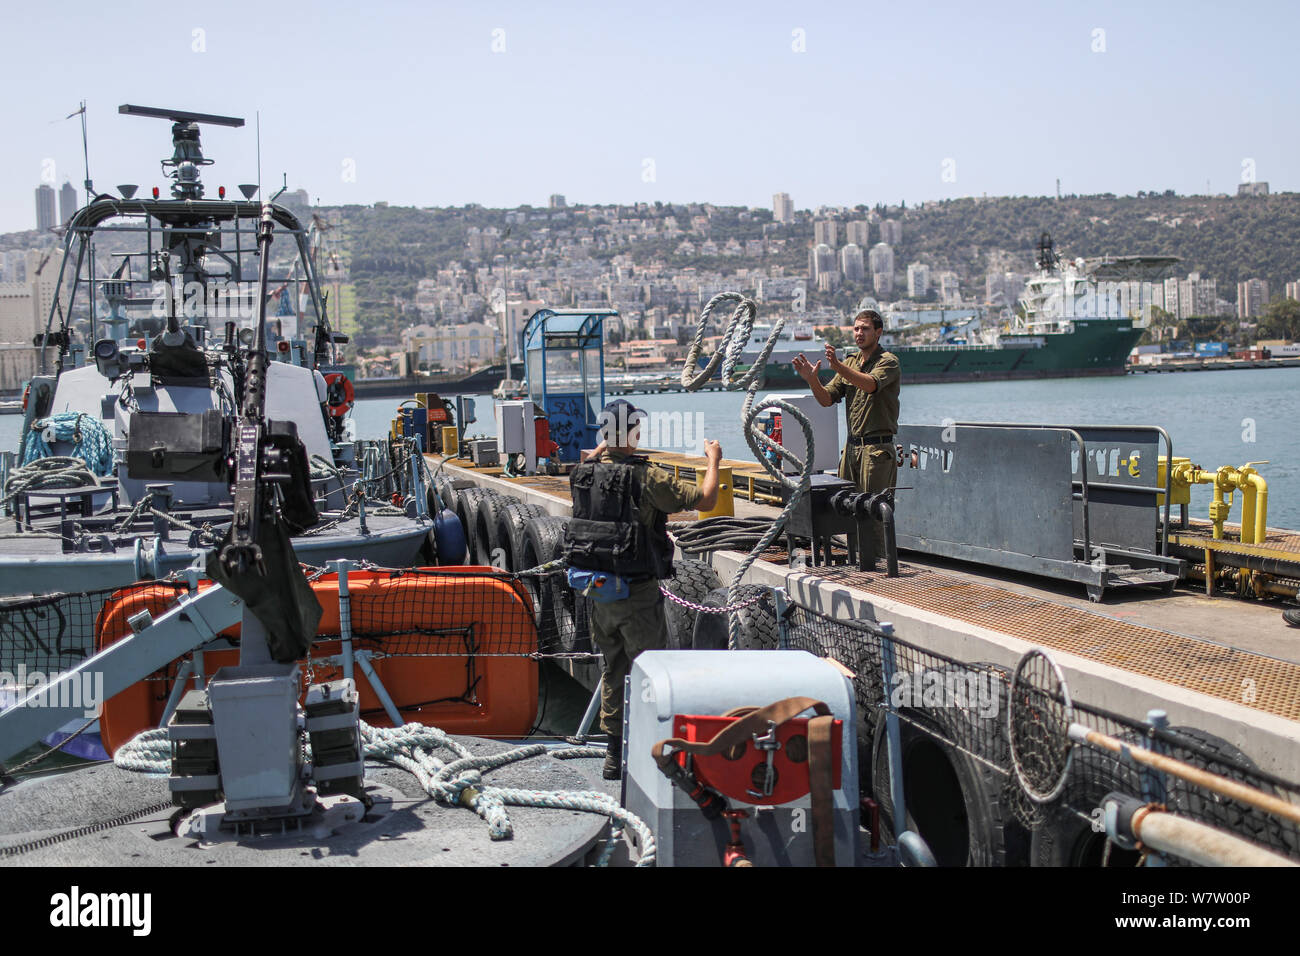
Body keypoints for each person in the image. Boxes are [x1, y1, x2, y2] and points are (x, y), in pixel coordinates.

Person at [565, 399, 722, 779]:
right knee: (652, 671)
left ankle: (613, 757)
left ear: (603, 434)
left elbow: (598, 459)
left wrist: (607, 445)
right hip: (636, 592)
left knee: (613, 669)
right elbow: (707, 498)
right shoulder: (648, 478)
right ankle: (656, 754)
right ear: (636, 434)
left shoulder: (581, 474)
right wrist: (712, 458)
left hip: (598, 592)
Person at [792, 308, 901, 557]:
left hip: (876, 450)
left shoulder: (888, 361)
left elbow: (871, 385)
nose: (859, 333)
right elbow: (826, 399)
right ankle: (858, 561)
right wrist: (812, 380)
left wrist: (838, 367)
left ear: (878, 332)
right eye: (856, 328)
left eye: (865, 329)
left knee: (874, 510)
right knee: (848, 509)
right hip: (851, 449)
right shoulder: (850, 362)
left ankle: (882, 565)